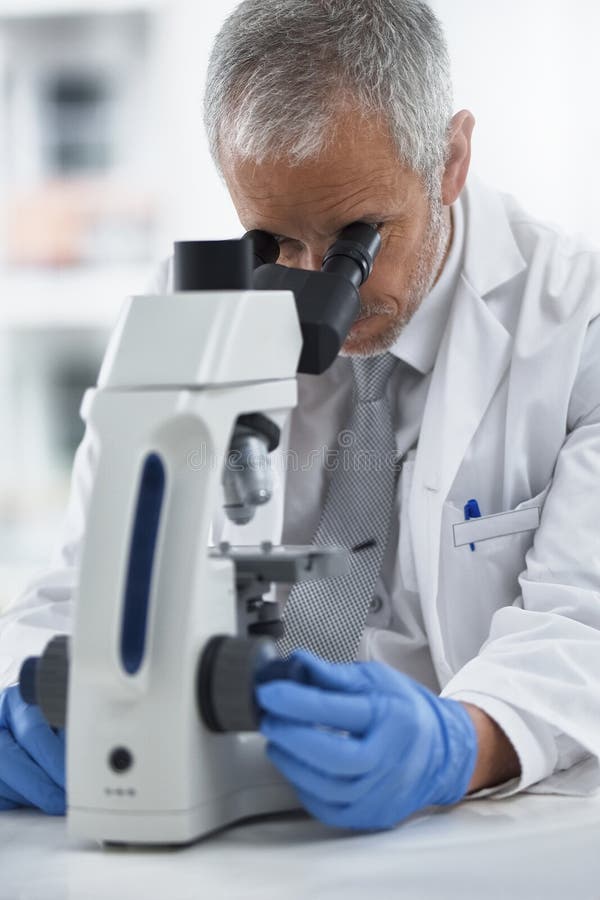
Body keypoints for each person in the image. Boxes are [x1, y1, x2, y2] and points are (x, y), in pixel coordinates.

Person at [2, 0, 600, 829]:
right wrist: (38, 696)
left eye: (360, 237)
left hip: (467, 836)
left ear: (452, 159)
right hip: (225, 826)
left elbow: (584, 624)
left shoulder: (578, 323)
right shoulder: (182, 314)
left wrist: (458, 743)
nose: (321, 286)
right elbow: (84, 586)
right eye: (276, 239)